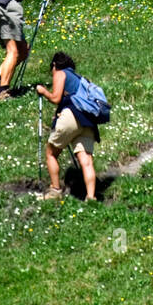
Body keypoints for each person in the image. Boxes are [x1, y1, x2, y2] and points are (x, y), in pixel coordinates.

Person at [36, 52, 99, 201]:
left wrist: (43, 91)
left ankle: (55, 191)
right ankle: (91, 197)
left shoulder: (60, 72)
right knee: (86, 160)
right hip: (89, 121)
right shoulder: (80, 79)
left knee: (51, 153)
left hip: (72, 117)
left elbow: (56, 98)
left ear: (54, 65)